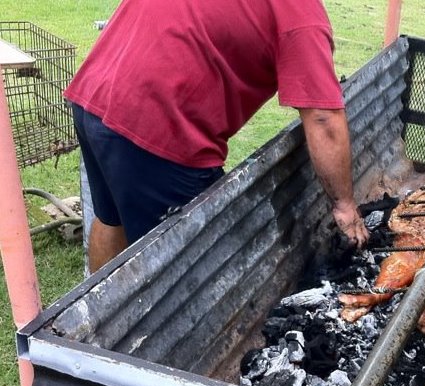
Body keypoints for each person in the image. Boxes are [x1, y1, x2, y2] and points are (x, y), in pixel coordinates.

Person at [65, 0, 369, 272]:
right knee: (188, 272)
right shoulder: (301, 15)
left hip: (92, 95)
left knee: (111, 219)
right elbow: (323, 119)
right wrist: (344, 206)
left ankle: (97, 319)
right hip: (158, 128)